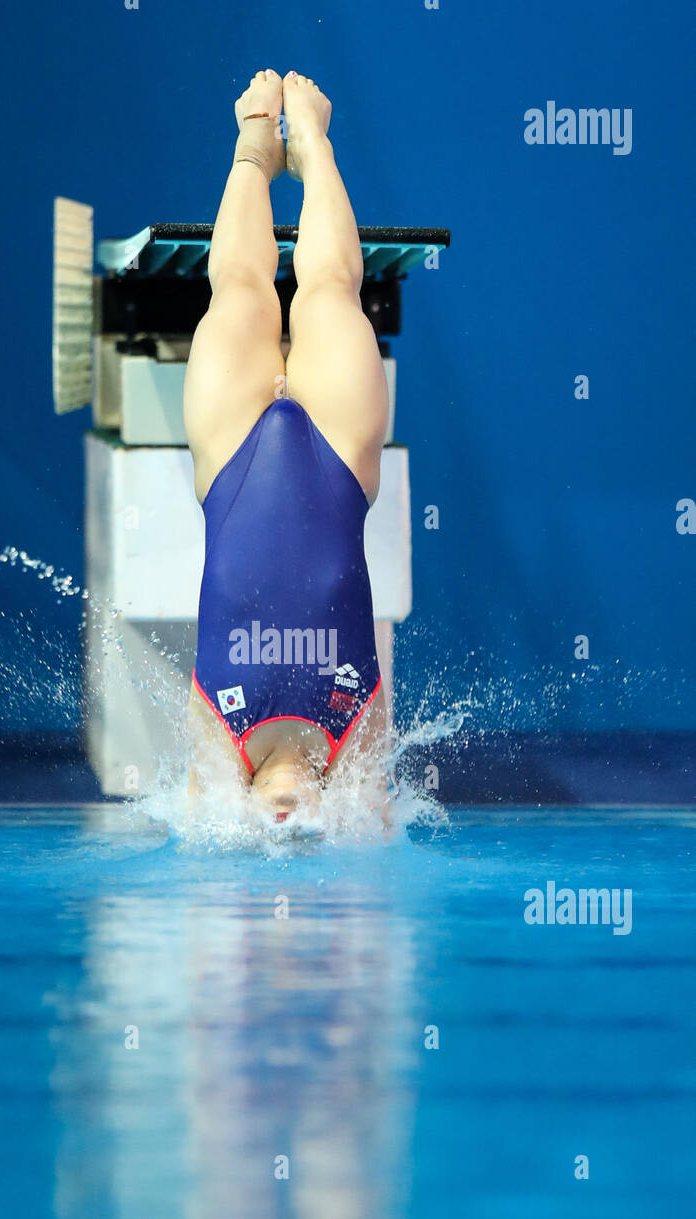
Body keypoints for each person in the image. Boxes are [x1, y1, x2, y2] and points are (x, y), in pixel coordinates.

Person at [184, 69, 390, 825]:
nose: (285, 820)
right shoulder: (354, 742)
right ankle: (314, 146)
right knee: (331, 289)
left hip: (231, 455)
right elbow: (383, 848)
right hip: (337, 457)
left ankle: (251, 150)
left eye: (270, 828)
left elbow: (195, 893)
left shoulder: (218, 752)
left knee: (239, 288)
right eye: (304, 828)